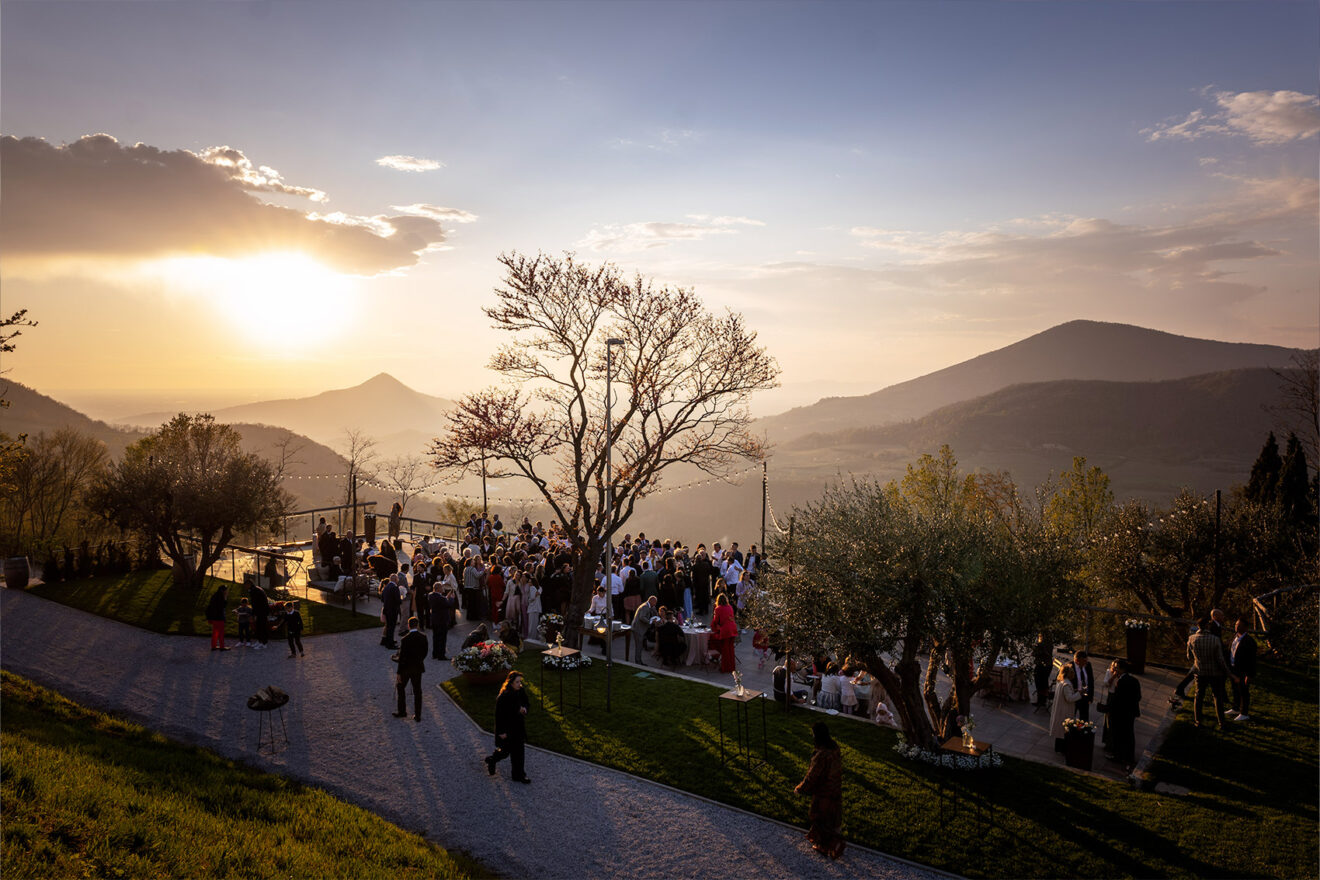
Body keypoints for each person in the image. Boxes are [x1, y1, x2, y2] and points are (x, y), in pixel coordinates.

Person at [794, 722, 845, 859]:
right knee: (833, 816)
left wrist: (801, 788)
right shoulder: (834, 747)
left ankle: (827, 845)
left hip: (824, 791)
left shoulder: (822, 755)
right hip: (835, 787)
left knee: (821, 817)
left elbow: (813, 775)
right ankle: (833, 840)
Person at [1188, 615, 1236, 728]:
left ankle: (1198, 721)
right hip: (1215, 673)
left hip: (1200, 672)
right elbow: (1220, 659)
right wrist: (1228, 673)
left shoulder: (1191, 639)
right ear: (1207, 626)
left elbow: (1189, 656)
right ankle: (1221, 722)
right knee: (1217, 697)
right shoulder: (1215, 640)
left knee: (1199, 696)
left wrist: (1197, 661)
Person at [485, 670, 531, 784]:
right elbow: (499, 716)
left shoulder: (521, 691)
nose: (519, 684)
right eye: (517, 682)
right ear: (510, 683)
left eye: (520, 682)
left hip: (518, 728)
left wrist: (524, 709)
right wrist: (501, 732)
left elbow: (526, 703)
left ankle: (518, 775)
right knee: (505, 752)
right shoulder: (504, 697)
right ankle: (493, 759)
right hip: (507, 729)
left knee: (519, 752)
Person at [1105, 658, 1142, 768]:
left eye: (1117, 668)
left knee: (1118, 734)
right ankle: (1129, 757)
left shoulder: (1121, 682)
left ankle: (1118, 755)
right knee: (1129, 735)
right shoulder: (1134, 680)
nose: (1114, 670)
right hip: (1131, 713)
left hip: (1120, 713)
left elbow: (1118, 699)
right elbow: (1138, 697)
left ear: (1122, 669)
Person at [393, 617, 428, 722]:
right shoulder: (423, 637)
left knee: (400, 687)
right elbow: (425, 652)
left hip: (406, 668)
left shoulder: (405, 639)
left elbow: (402, 657)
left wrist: (399, 672)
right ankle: (418, 715)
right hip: (417, 667)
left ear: (408, 625)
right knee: (418, 691)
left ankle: (402, 711)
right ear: (417, 625)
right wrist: (419, 660)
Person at [1229, 617, 1257, 722]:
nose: (1236, 626)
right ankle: (1235, 708)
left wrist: (1249, 675)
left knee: (1243, 692)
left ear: (1245, 628)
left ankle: (1244, 713)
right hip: (1233, 669)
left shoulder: (1249, 642)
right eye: (1236, 624)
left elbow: (1252, 661)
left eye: (1239, 625)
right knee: (1235, 689)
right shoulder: (1235, 637)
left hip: (1243, 671)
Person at [1049, 665, 1081, 752]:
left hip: (1060, 709)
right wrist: (1079, 694)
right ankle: (1062, 749)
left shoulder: (1061, 682)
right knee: (1063, 730)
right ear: (1068, 674)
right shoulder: (1066, 684)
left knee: (1059, 730)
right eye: (1072, 673)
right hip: (1064, 710)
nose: (1073, 674)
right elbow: (1069, 698)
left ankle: (1058, 748)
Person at [428, 575, 458, 661]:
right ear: (438, 589)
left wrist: (447, 597)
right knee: (442, 638)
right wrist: (451, 598)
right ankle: (441, 655)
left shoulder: (431, 595)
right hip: (442, 620)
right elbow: (448, 604)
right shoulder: (440, 598)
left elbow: (443, 600)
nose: (443, 589)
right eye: (442, 587)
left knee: (435, 637)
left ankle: (435, 653)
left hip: (434, 619)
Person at [709, 593, 738, 674]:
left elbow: (715, 621)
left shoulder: (718, 609)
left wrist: (714, 627)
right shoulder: (730, 607)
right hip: (732, 629)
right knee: (730, 649)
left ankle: (725, 668)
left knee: (725, 650)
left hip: (725, 631)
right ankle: (732, 667)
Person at [631, 596, 659, 665]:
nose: (655, 604)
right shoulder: (645, 607)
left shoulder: (648, 606)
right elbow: (642, 617)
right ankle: (638, 661)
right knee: (639, 646)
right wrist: (650, 621)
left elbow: (654, 613)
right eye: (655, 603)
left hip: (640, 628)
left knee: (640, 646)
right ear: (651, 601)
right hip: (638, 629)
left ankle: (639, 661)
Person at [1070, 650, 1095, 721]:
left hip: (1084, 697)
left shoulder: (1088, 665)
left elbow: (1091, 681)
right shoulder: (1070, 666)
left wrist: (1091, 696)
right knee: (1071, 718)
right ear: (1077, 660)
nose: (1086, 662)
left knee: (1084, 719)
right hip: (1074, 697)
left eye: (1086, 660)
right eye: (1084, 660)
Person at [205, 585, 230, 651]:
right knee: (221, 633)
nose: (227, 591)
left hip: (214, 617)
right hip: (219, 617)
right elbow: (223, 606)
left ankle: (213, 646)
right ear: (223, 590)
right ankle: (222, 647)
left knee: (215, 632)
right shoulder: (221, 597)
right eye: (226, 590)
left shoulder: (214, 596)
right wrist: (225, 597)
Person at [380, 575, 402, 649]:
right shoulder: (395, 588)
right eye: (397, 579)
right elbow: (398, 600)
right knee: (391, 627)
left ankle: (387, 640)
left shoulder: (386, 587)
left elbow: (382, 598)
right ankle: (390, 644)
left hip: (386, 609)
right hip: (393, 610)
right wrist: (401, 599)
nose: (398, 580)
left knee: (388, 626)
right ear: (395, 579)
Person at [249, 581, 270, 650]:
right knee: (259, 626)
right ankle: (259, 641)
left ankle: (264, 643)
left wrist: (253, 614)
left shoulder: (254, 591)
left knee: (262, 627)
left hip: (262, 611)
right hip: (261, 611)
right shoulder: (256, 589)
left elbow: (254, 604)